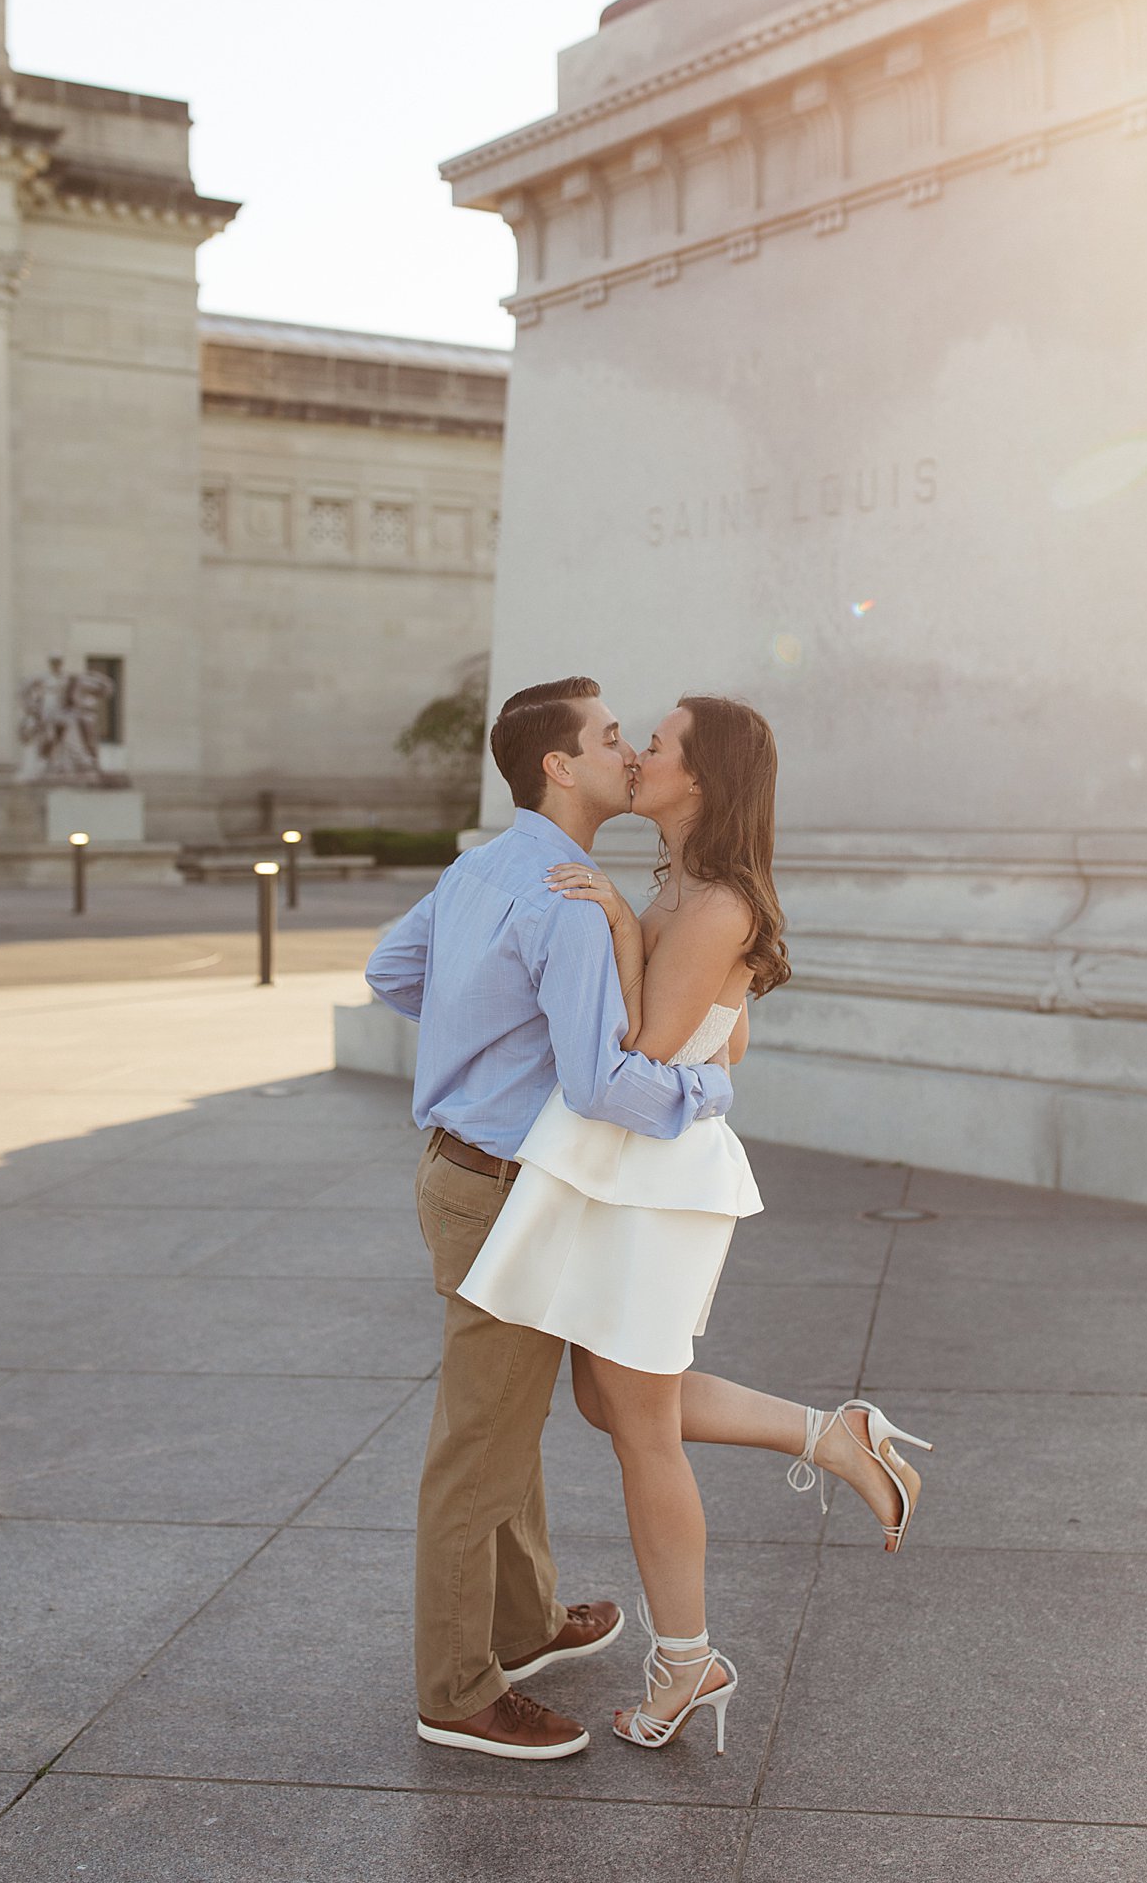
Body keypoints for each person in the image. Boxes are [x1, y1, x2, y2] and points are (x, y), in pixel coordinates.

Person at [458, 694, 932, 1754]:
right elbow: (729, 1045)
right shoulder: (685, 885)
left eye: (658, 744)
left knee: (638, 1425)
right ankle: (833, 1435)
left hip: (657, 1182)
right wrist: (650, 940)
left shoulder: (708, 901)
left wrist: (620, 928)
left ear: (700, 778)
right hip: (634, 1167)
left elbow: (634, 1043)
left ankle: (685, 1658)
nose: (638, 755)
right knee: (610, 1398)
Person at [365, 676, 737, 1761]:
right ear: (558, 766)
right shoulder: (572, 900)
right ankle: (457, 1687)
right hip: (501, 1190)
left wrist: (477, 1037)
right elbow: (602, 1084)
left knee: (508, 1404)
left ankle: (524, 1623)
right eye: (611, 737)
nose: (628, 751)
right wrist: (711, 1089)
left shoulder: (484, 862)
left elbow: (393, 970)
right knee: (478, 1443)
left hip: (453, 1169)